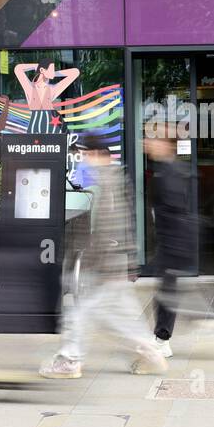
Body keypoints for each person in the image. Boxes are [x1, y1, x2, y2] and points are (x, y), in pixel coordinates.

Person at [39, 137, 166, 380]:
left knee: (81, 313)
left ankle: (70, 360)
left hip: (107, 267)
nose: (84, 160)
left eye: (86, 154)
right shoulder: (114, 178)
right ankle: (150, 353)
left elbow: (108, 227)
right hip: (114, 265)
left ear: (97, 153)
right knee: (120, 318)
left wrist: (99, 262)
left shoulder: (107, 182)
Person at [143, 132, 196, 358]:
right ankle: (162, 338)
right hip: (169, 242)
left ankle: (162, 339)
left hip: (172, 242)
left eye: (152, 140)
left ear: (165, 145)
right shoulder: (165, 170)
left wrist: (172, 245)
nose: (147, 144)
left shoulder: (169, 173)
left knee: (166, 292)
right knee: (167, 291)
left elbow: (175, 211)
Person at [15, 60, 79, 134]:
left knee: (58, 142)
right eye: (51, 70)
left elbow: (75, 72)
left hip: (53, 122)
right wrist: (37, 66)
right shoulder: (30, 88)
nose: (53, 72)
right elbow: (18, 69)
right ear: (42, 70)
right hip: (35, 124)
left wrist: (53, 74)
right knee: (34, 143)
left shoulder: (52, 89)